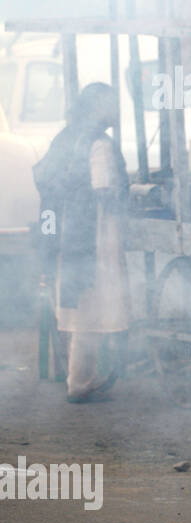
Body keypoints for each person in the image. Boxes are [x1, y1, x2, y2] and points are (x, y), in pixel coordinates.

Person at [32, 83, 130, 402]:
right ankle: (80, 383)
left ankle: (79, 376)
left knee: (77, 306)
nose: (116, 110)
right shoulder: (98, 143)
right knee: (90, 307)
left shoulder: (65, 137)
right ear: (97, 107)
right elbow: (104, 189)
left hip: (66, 233)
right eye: (111, 104)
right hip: (93, 235)